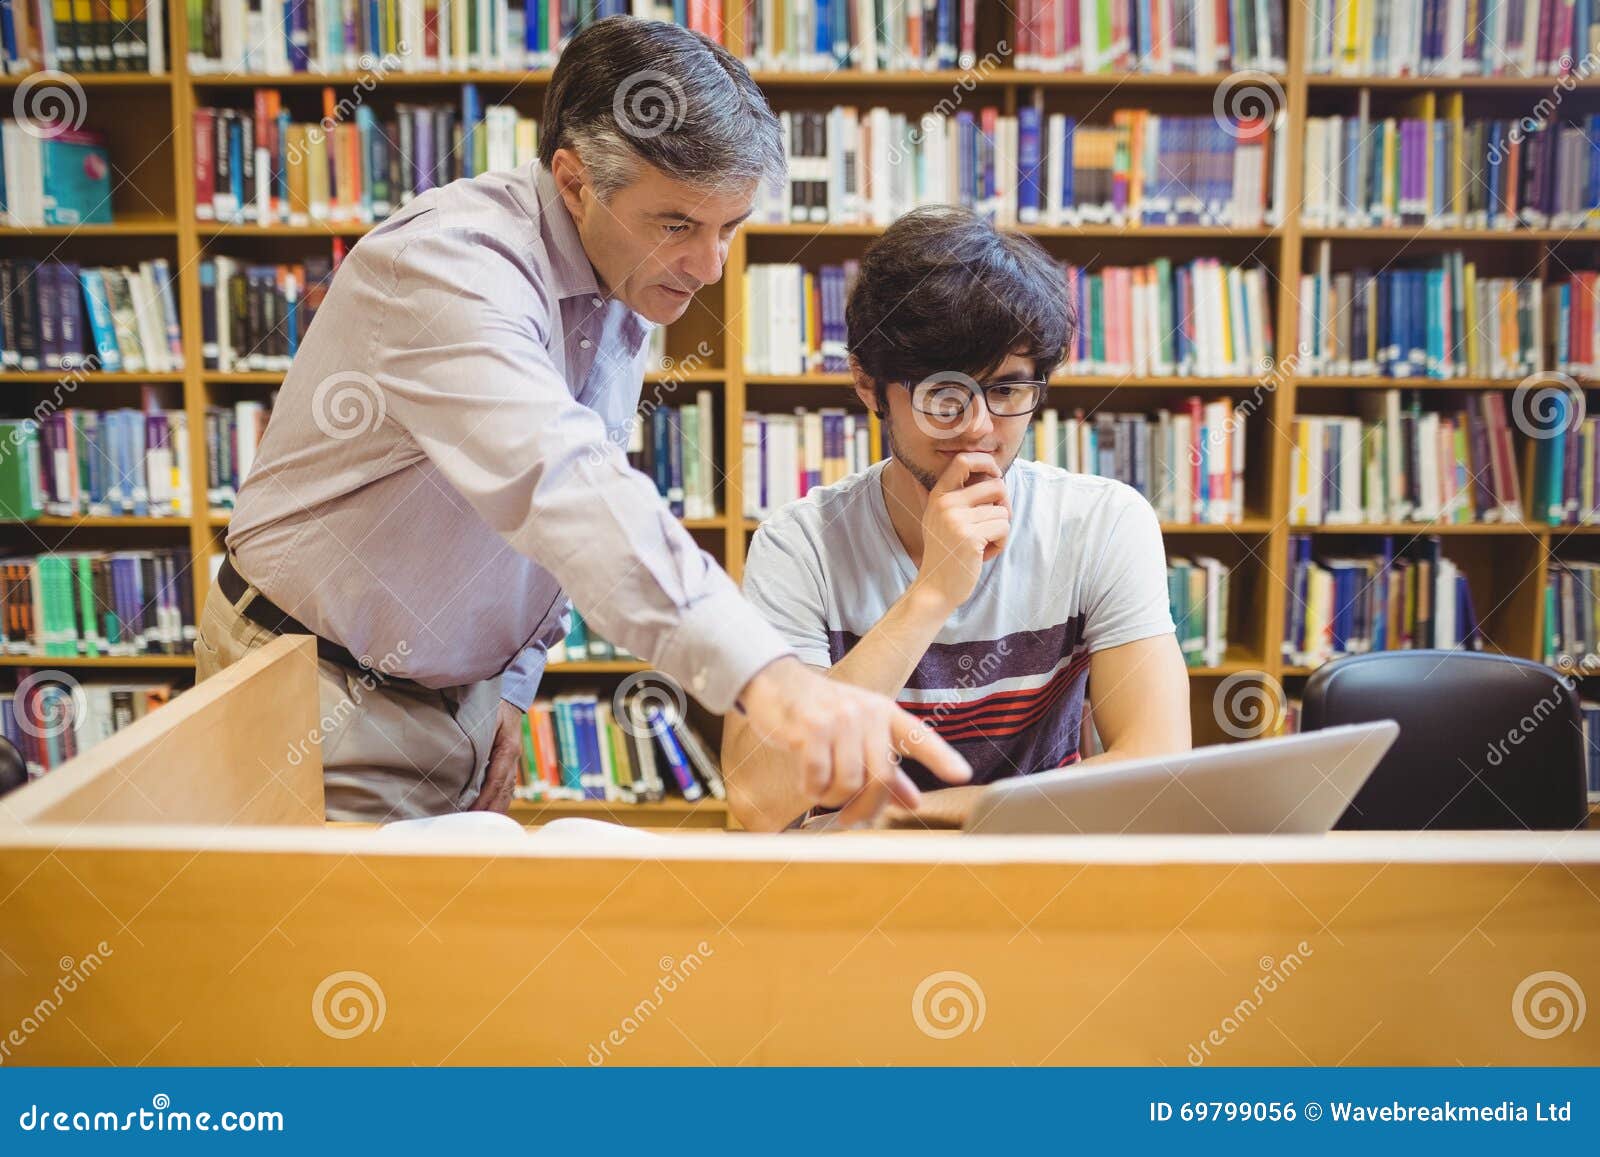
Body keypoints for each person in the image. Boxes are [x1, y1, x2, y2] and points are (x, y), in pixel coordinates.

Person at [196, 16, 969, 822]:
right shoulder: (448, 265)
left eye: (729, 228)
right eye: (678, 225)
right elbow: (559, 483)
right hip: (321, 694)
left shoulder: (620, 282)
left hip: (464, 699)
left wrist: (511, 683)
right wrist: (771, 681)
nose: (709, 267)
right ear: (573, 181)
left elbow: (545, 540)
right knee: (344, 948)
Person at [723, 206, 1192, 831]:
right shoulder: (800, 544)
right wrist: (932, 594)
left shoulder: (1103, 523)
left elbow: (1157, 769)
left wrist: (910, 820)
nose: (977, 427)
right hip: (848, 898)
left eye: (1006, 390)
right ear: (868, 386)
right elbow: (759, 798)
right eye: (943, 393)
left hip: (1039, 877)